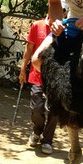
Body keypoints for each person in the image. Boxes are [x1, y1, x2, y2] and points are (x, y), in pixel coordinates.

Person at [19, 16, 58, 155]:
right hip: (37, 75)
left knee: (54, 110)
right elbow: (29, 48)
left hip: (56, 78)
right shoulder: (37, 25)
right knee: (36, 108)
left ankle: (48, 140)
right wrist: (23, 68)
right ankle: (37, 131)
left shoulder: (65, 29)